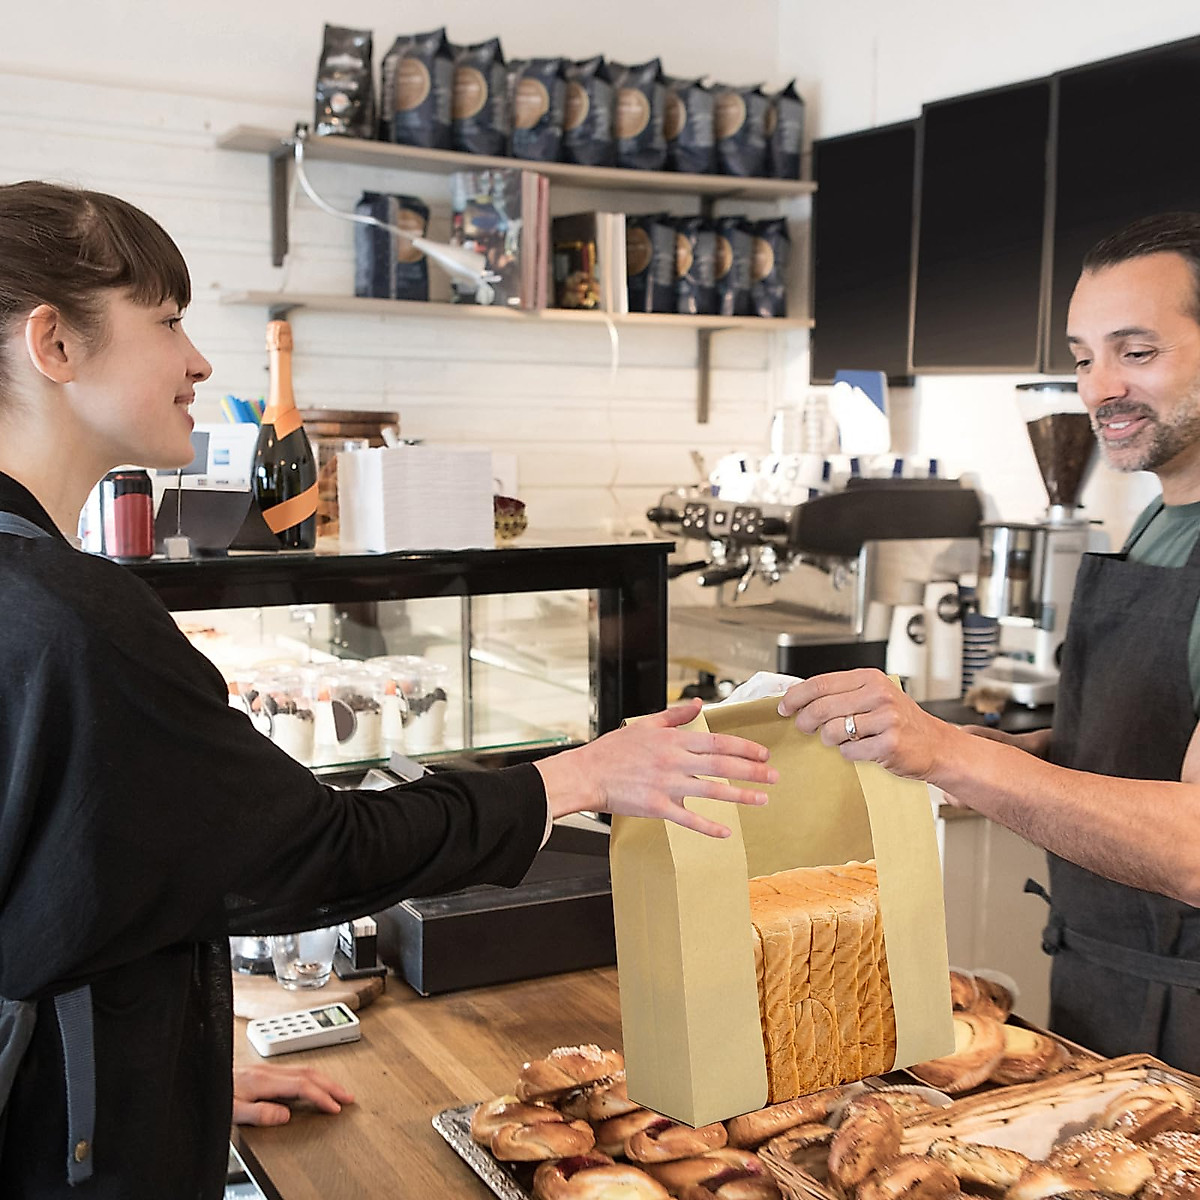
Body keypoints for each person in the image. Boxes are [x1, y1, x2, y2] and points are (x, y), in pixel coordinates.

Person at [0, 181, 778, 1198]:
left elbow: (62, 903)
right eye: (170, 321)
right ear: (54, 346)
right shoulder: (76, 616)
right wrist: (580, 775)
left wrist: (160, 1074)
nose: (197, 360)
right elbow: (311, 853)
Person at [780, 211, 1200, 1074]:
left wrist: (948, 755)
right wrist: (1015, 751)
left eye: (1138, 352)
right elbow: (1150, 747)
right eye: (1084, 358)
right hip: (1112, 993)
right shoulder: (1167, 516)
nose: (1099, 390)